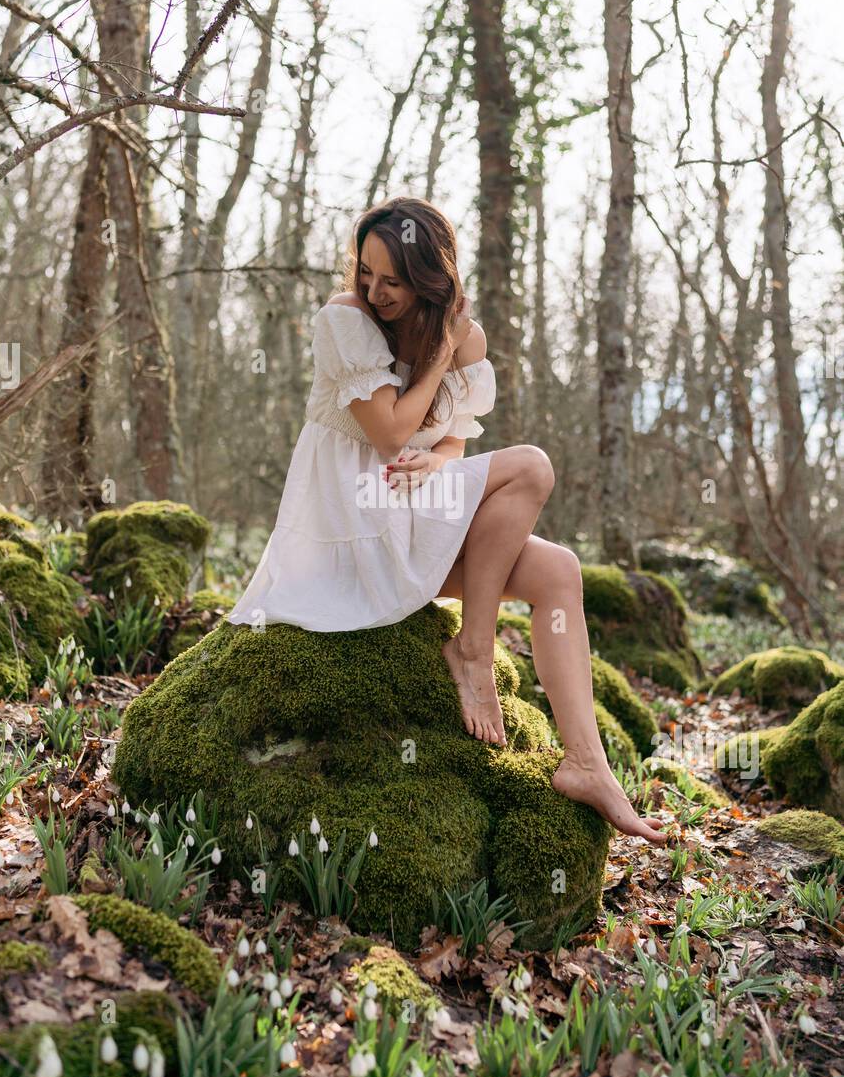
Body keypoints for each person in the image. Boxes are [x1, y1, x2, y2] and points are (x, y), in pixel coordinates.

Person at [227, 195, 665, 845]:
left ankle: (586, 764)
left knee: (557, 569)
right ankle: (472, 649)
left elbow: (447, 439)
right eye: (365, 271)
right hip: (351, 523)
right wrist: (439, 356)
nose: (374, 291)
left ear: (432, 277)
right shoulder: (343, 320)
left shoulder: (466, 338)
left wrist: (439, 463)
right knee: (531, 467)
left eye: (392, 280)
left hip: (404, 510)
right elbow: (389, 434)